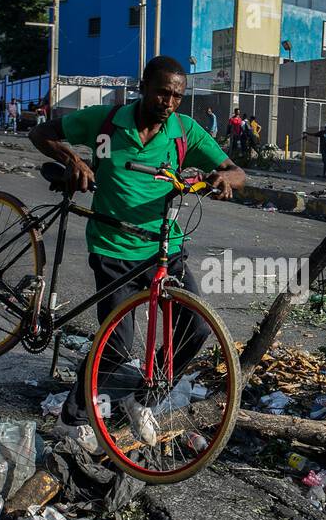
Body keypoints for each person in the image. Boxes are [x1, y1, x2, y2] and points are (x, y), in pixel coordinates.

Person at [28, 55, 246, 452]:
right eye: (163, 91)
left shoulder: (185, 132)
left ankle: (141, 399)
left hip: (165, 248)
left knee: (195, 330)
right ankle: (70, 418)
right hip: (113, 246)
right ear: (143, 85)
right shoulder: (105, 122)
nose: (169, 101)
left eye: (177, 95)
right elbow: (41, 133)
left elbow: (237, 170)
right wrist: (74, 160)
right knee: (117, 343)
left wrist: (223, 178)